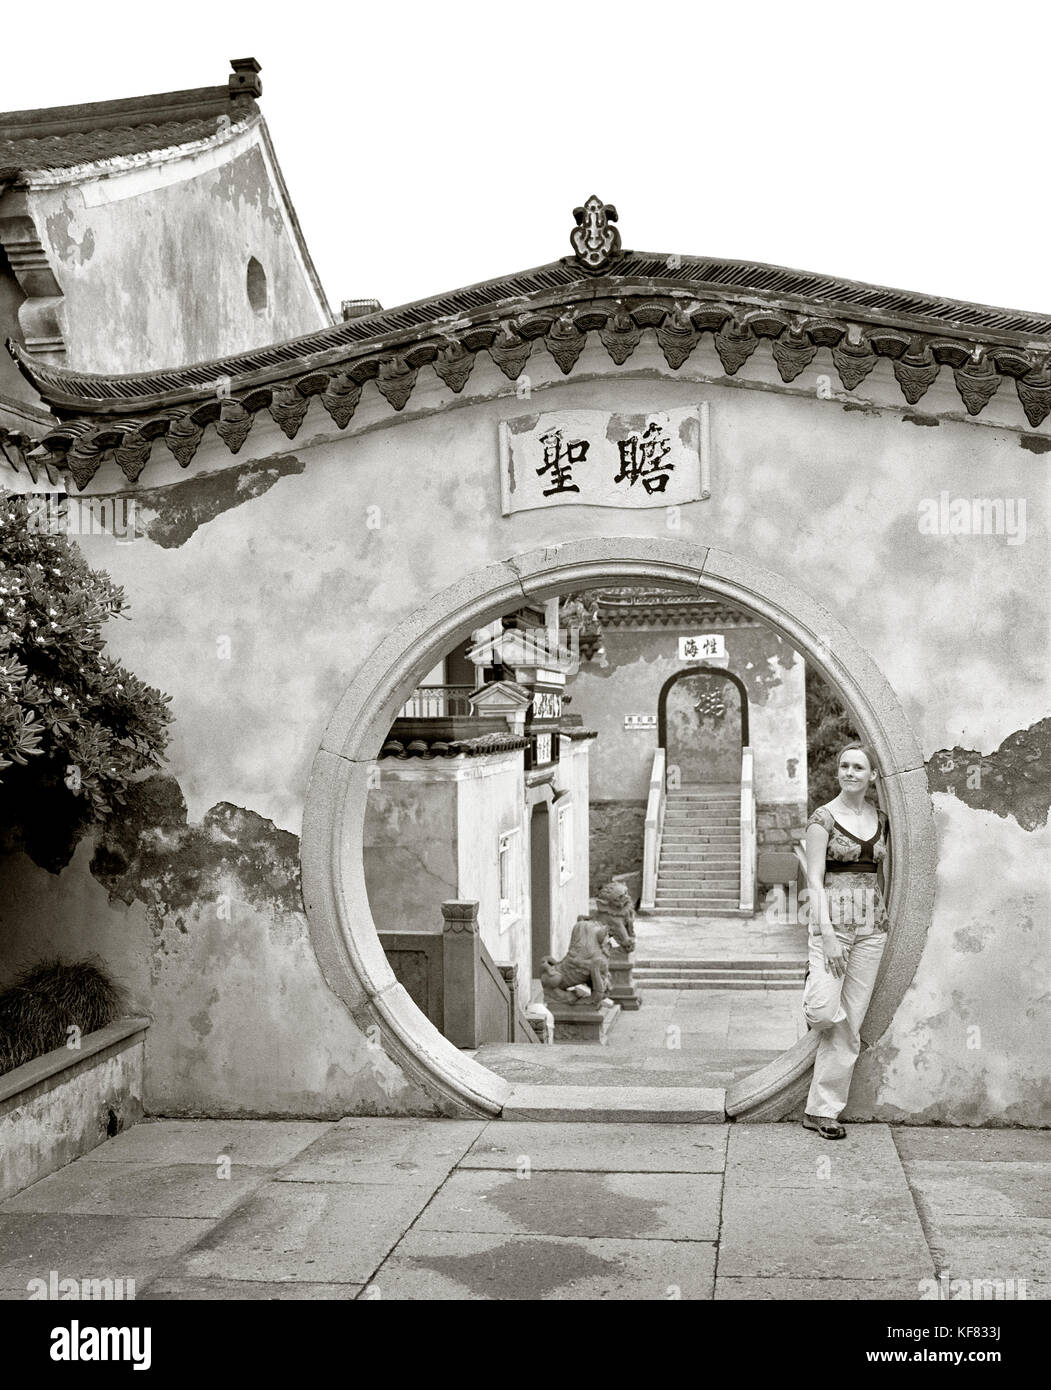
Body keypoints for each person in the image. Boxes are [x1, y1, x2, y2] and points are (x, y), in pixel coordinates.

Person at [801, 742, 890, 1139]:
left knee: (850, 1023)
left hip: (872, 931)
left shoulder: (882, 820)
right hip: (833, 928)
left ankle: (823, 1111)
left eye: (858, 767)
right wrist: (826, 935)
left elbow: (881, 875)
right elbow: (814, 880)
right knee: (822, 1012)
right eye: (844, 766)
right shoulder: (822, 819)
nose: (850, 772)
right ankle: (816, 984)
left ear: (872, 776)